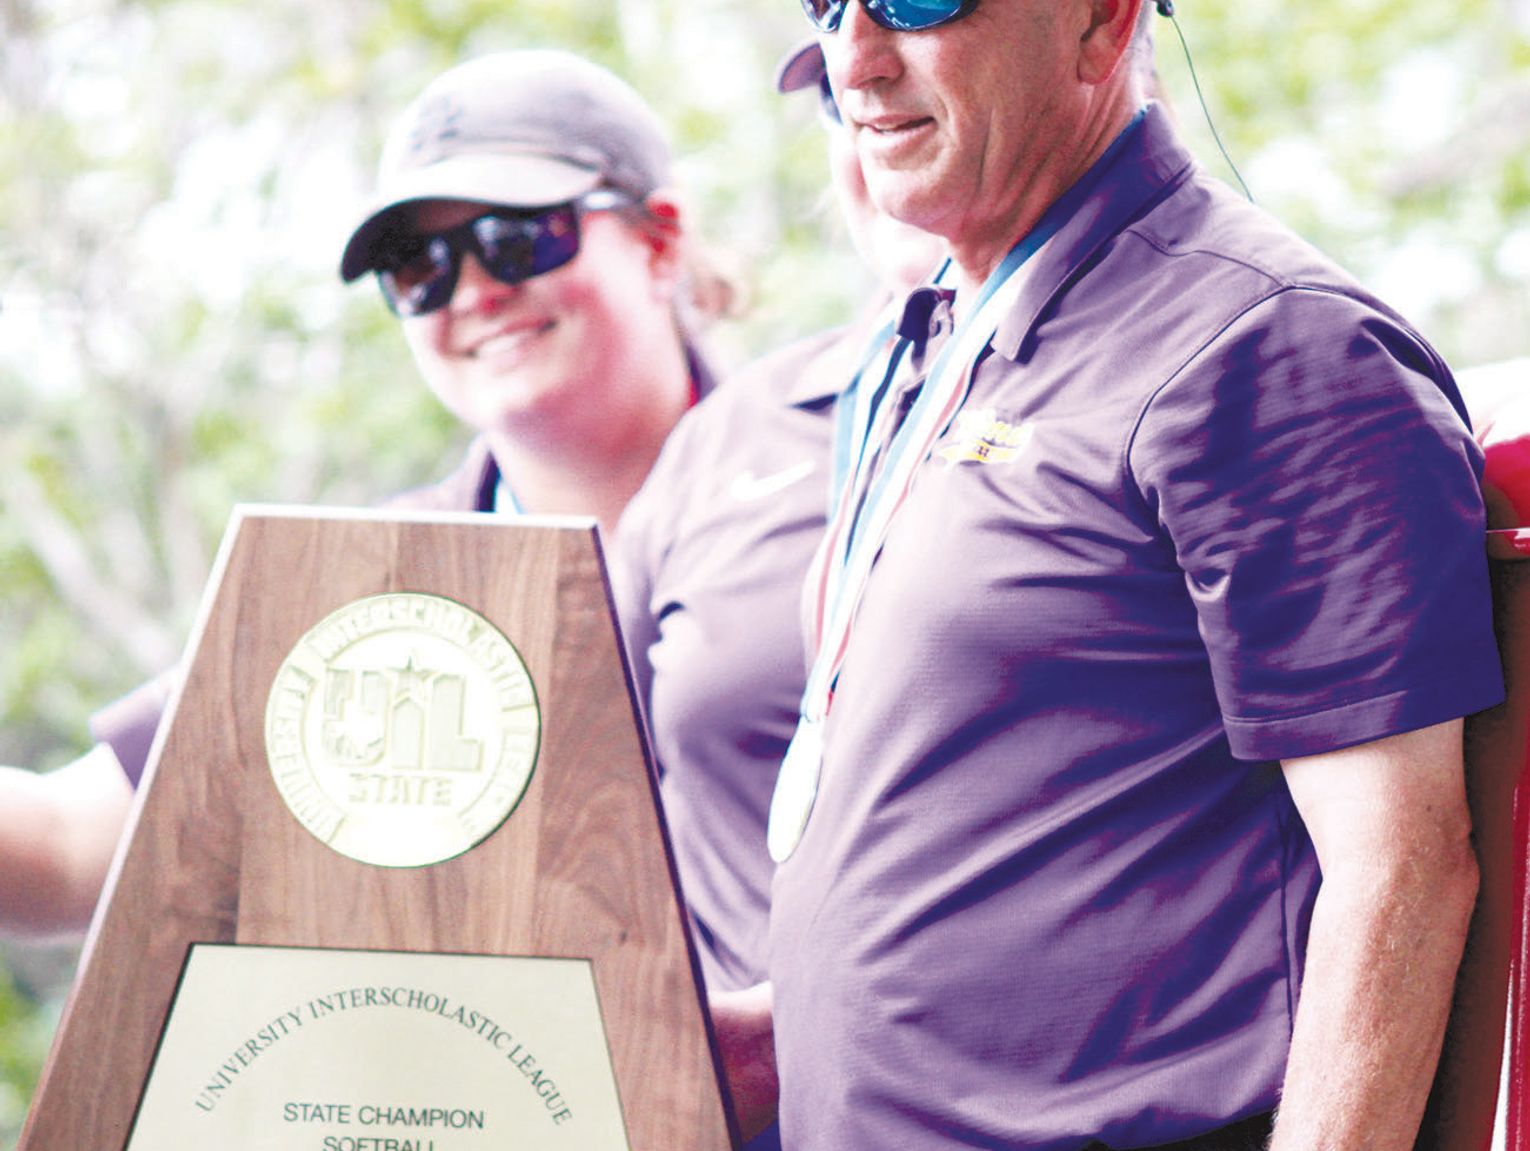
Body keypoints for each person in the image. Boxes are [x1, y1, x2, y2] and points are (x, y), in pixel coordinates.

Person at [742, 0, 1504, 1148]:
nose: (854, 52)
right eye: (825, 1)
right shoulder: (941, 340)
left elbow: (1401, 870)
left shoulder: (1272, 346)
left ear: (1100, 21)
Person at [0, 48, 716, 938]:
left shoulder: (842, 482)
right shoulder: (365, 581)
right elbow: (70, 843)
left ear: (660, 239)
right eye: (421, 267)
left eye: (518, 235)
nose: (478, 292)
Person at [611, 38, 940, 1148]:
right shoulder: (729, 436)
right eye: (849, 117)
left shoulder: (1189, 367)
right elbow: (583, 796)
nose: (879, 129)